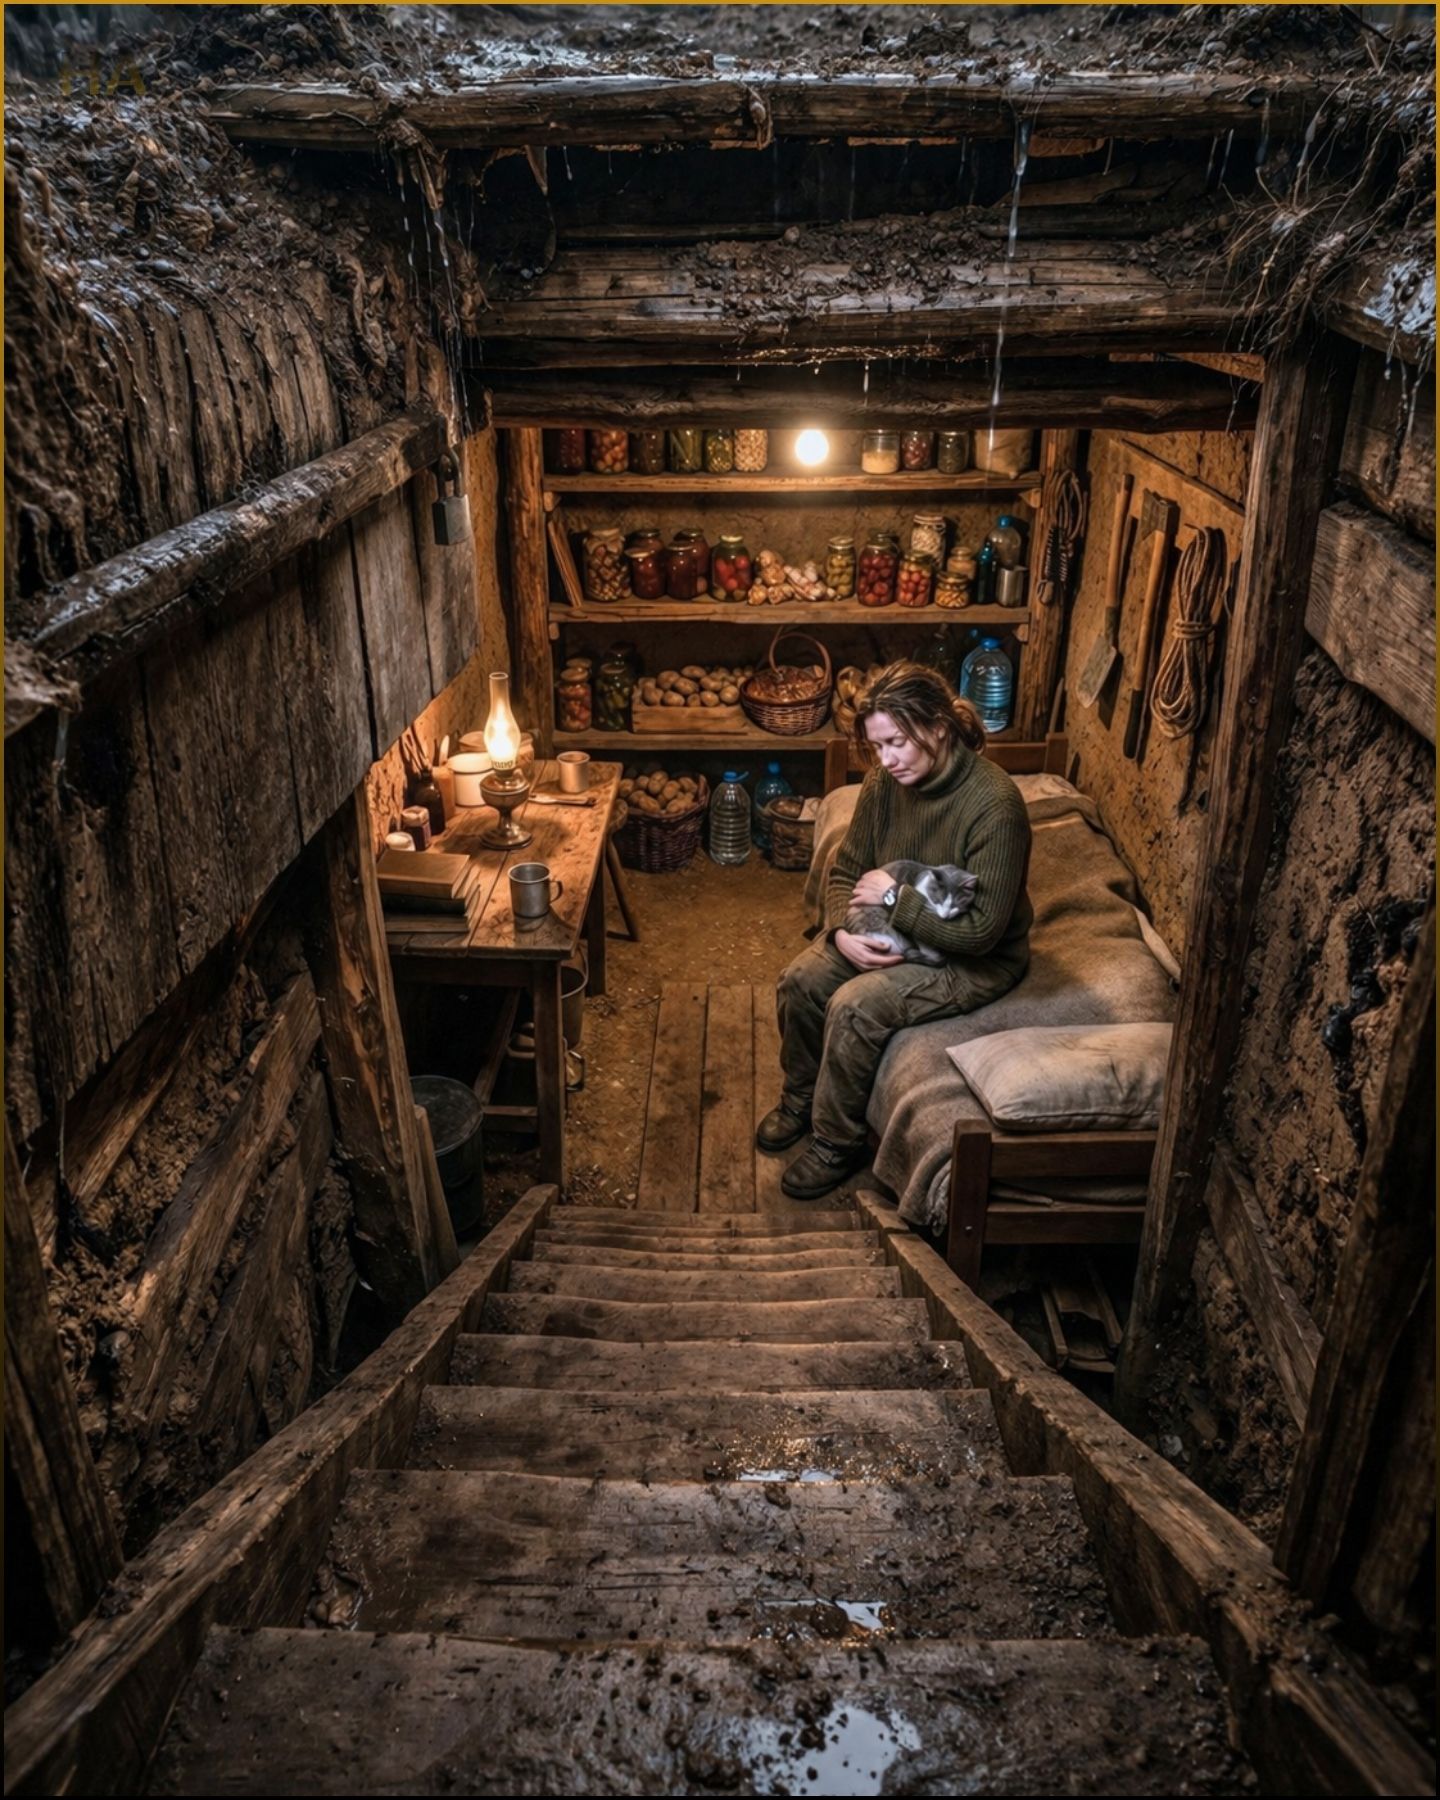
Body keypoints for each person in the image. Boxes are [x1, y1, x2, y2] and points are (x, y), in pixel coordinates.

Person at [758, 660, 1033, 1200]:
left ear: (938, 726)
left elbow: (980, 935)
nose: (885, 760)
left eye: (897, 743)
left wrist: (893, 900)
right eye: (877, 746)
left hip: (969, 958)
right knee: (801, 980)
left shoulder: (996, 807)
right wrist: (840, 932)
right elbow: (845, 870)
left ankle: (836, 1141)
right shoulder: (884, 782)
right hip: (895, 925)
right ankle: (800, 1098)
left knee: (856, 1006)